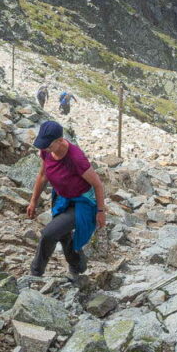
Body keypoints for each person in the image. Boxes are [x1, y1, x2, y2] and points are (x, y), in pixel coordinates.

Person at [25, 121, 107, 283]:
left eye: (48, 146)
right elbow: (43, 175)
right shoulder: (47, 152)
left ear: (60, 140)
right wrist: (33, 201)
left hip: (82, 203)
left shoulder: (76, 158)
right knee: (62, 234)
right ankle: (78, 266)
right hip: (61, 198)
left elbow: (98, 184)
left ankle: (35, 274)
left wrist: (100, 211)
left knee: (49, 233)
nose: (44, 149)